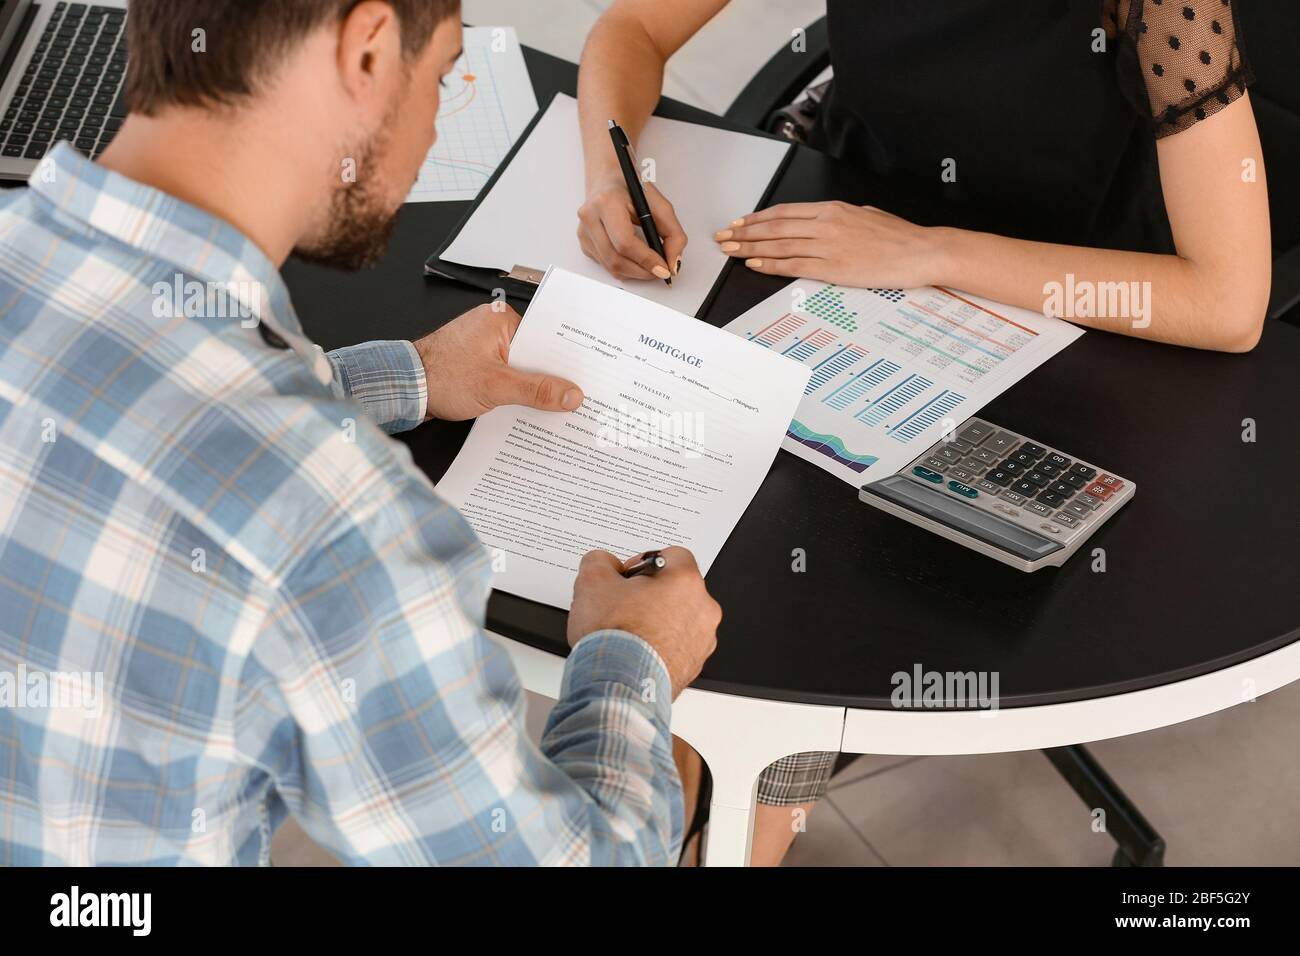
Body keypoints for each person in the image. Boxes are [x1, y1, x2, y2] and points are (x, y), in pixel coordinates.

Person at [0, 0, 720, 866]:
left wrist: (408, 373)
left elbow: (130, 407)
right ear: (370, 48)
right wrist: (632, 655)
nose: (435, 123)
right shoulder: (329, 519)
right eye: (448, 74)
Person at [576, 0, 1273, 863]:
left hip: (1060, 332)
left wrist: (931, 251)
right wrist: (612, 179)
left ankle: (718, 817)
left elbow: (1230, 299)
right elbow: (632, 31)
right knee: (692, 548)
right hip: (843, 265)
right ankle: (668, 814)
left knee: (782, 647)